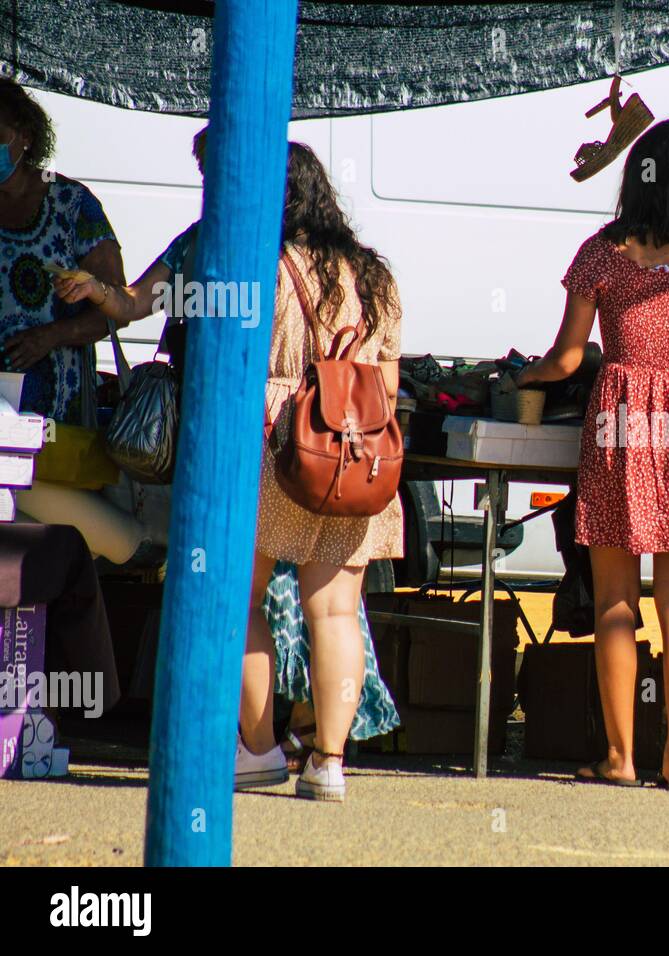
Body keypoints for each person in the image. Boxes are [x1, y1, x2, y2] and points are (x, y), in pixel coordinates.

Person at [55, 134, 400, 776]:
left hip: (266, 444)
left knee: (242, 601)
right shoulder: (373, 274)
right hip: (354, 450)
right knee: (335, 610)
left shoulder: (233, 256)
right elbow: (389, 384)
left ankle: (261, 750)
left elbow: (164, 320)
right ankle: (329, 762)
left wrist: (103, 297)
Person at [517, 119, 669, 792]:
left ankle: (621, 758)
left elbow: (568, 357)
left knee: (615, 601)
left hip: (620, 426)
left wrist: (525, 379)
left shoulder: (603, 254)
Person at [0, 78, 125, 421]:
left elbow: (118, 304)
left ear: (25, 137)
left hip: (58, 414)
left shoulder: (71, 204)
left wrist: (52, 336)